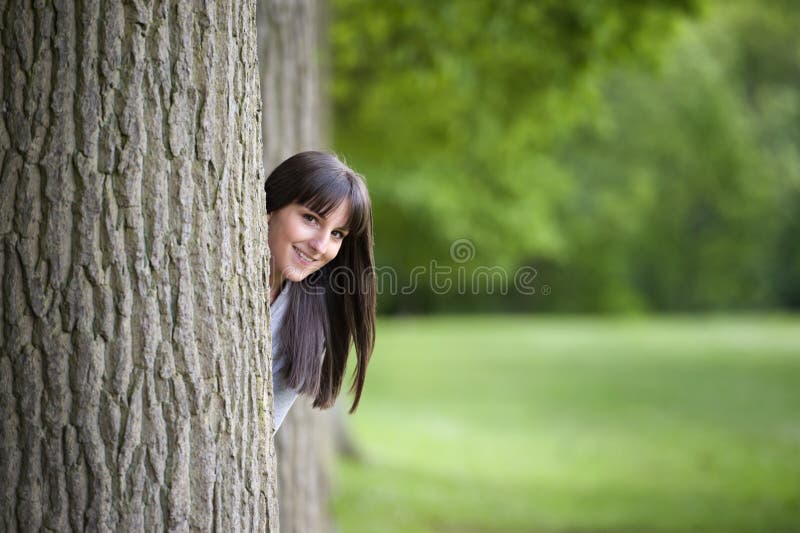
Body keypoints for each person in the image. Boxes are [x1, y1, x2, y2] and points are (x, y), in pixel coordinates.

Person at [265, 151, 376, 432]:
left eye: (337, 234)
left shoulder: (307, 319)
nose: (320, 245)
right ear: (271, 207)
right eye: (311, 218)